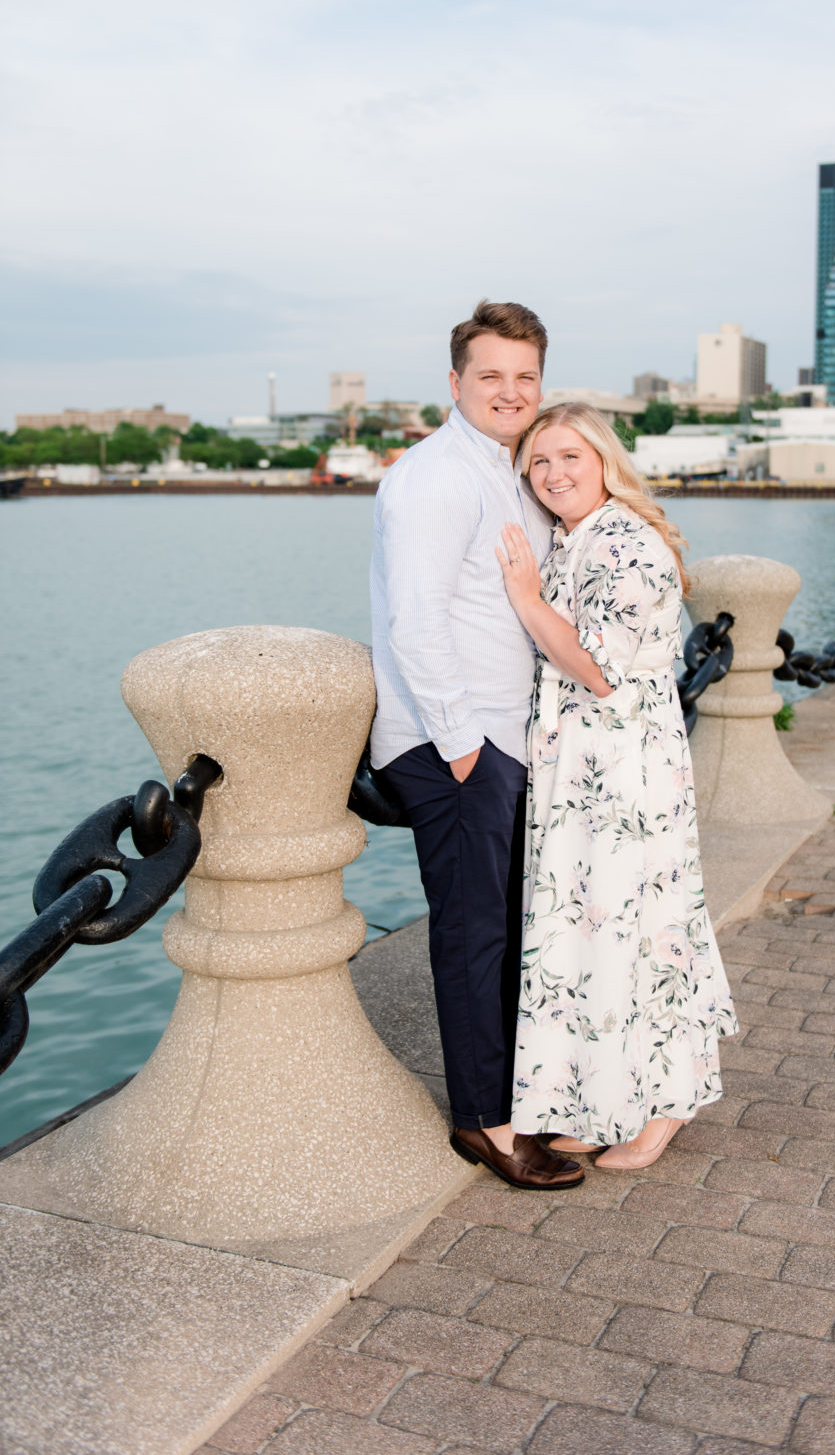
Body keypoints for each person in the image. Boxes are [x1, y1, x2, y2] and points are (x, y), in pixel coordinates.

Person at [369, 301, 584, 1191]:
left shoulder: (508, 468)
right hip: (453, 743)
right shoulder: (434, 478)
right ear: (455, 382)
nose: (510, 390)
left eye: (525, 376)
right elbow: (414, 622)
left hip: (508, 738)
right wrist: (463, 749)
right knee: (472, 937)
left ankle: (517, 1099)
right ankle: (485, 1124)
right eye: (490, 375)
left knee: (511, 931)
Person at [498, 403, 738, 1170]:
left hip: (623, 767)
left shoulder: (627, 544)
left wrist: (526, 599)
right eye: (539, 461)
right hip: (580, 768)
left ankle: (669, 1103)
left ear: (605, 460)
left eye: (570, 456)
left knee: (642, 926)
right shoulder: (573, 537)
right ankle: (606, 1099)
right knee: (594, 931)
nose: (553, 473)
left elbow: (599, 669)